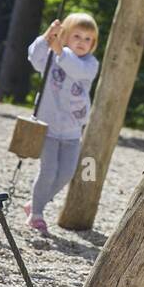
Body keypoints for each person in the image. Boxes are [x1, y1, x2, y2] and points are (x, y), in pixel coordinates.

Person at [26, 12, 99, 233]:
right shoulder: (52, 55)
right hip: (47, 125)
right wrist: (47, 37)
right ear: (64, 36)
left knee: (65, 174)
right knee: (48, 172)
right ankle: (36, 215)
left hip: (72, 130)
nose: (82, 43)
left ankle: (35, 203)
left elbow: (76, 69)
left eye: (88, 39)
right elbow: (34, 58)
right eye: (77, 36)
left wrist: (60, 52)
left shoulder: (90, 64)